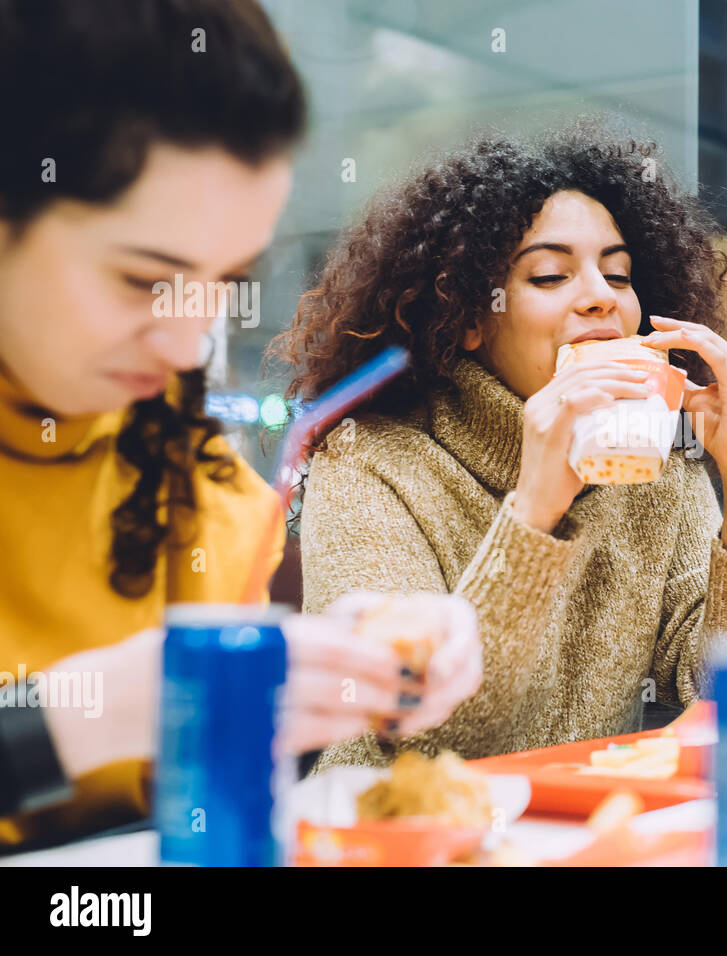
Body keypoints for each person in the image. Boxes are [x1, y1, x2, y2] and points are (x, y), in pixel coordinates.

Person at [0, 0, 479, 851]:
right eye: (144, 280)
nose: (189, 341)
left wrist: (351, 663)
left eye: (225, 280)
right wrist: (83, 714)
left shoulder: (187, 472)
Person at [277, 120, 727, 767]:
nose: (601, 298)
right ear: (467, 318)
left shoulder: (660, 469)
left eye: (619, 274)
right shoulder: (368, 460)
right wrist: (536, 505)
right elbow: (419, 734)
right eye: (550, 277)